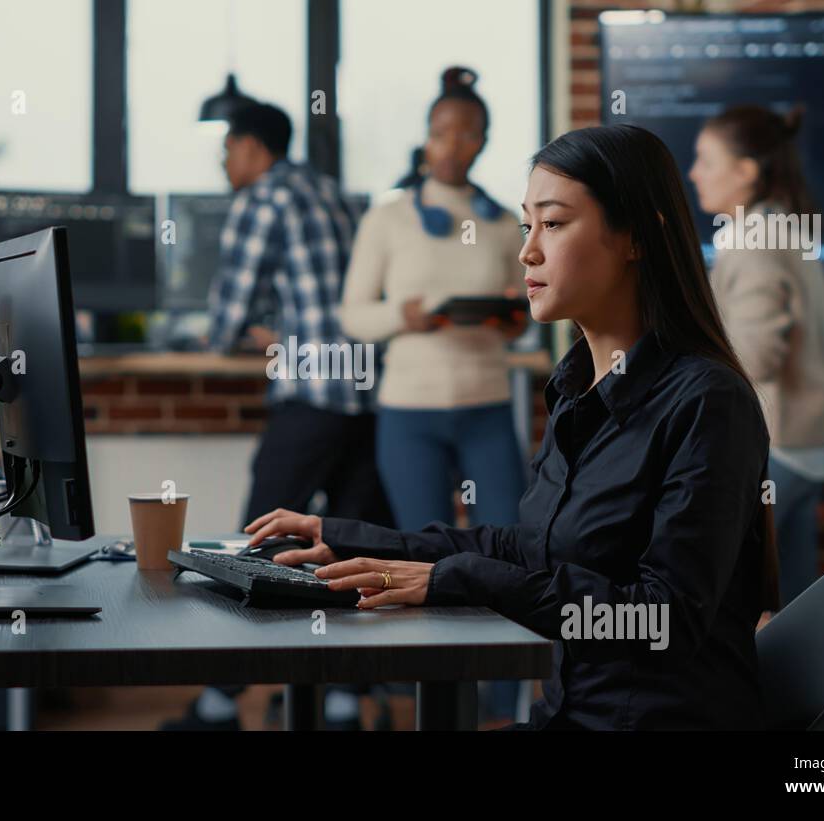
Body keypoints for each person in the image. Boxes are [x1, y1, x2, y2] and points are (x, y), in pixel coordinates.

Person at [245, 124, 780, 731]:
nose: (528, 251)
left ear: (636, 237)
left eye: (553, 224)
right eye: (528, 227)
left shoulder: (708, 403)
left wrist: (458, 579)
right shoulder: (578, 388)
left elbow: (662, 620)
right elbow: (523, 547)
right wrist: (347, 537)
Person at [163, 102, 394, 731]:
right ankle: (344, 701)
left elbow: (230, 307)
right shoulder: (338, 195)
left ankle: (219, 703)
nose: (223, 160)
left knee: (256, 543)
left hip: (313, 396)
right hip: (370, 398)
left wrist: (215, 337)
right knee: (346, 547)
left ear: (254, 148)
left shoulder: (263, 199)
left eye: (228, 147)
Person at [339, 67, 530, 722]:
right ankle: (431, 700)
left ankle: (505, 701)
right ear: (426, 137)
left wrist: (514, 317)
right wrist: (405, 316)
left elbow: (524, 307)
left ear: (482, 142)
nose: (451, 143)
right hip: (410, 412)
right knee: (417, 554)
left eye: (466, 133)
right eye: (441, 131)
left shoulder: (505, 222)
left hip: (484, 404)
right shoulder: (388, 218)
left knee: (509, 549)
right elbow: (354, 314)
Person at [688, 105, 824, 606]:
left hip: (774, 452)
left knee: (741, 613)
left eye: (707, 161)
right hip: (800, 450)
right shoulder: (777, 230)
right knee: (790, 617)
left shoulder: (755, 243)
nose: (694, 174)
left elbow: (753, 357)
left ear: (746, 171)